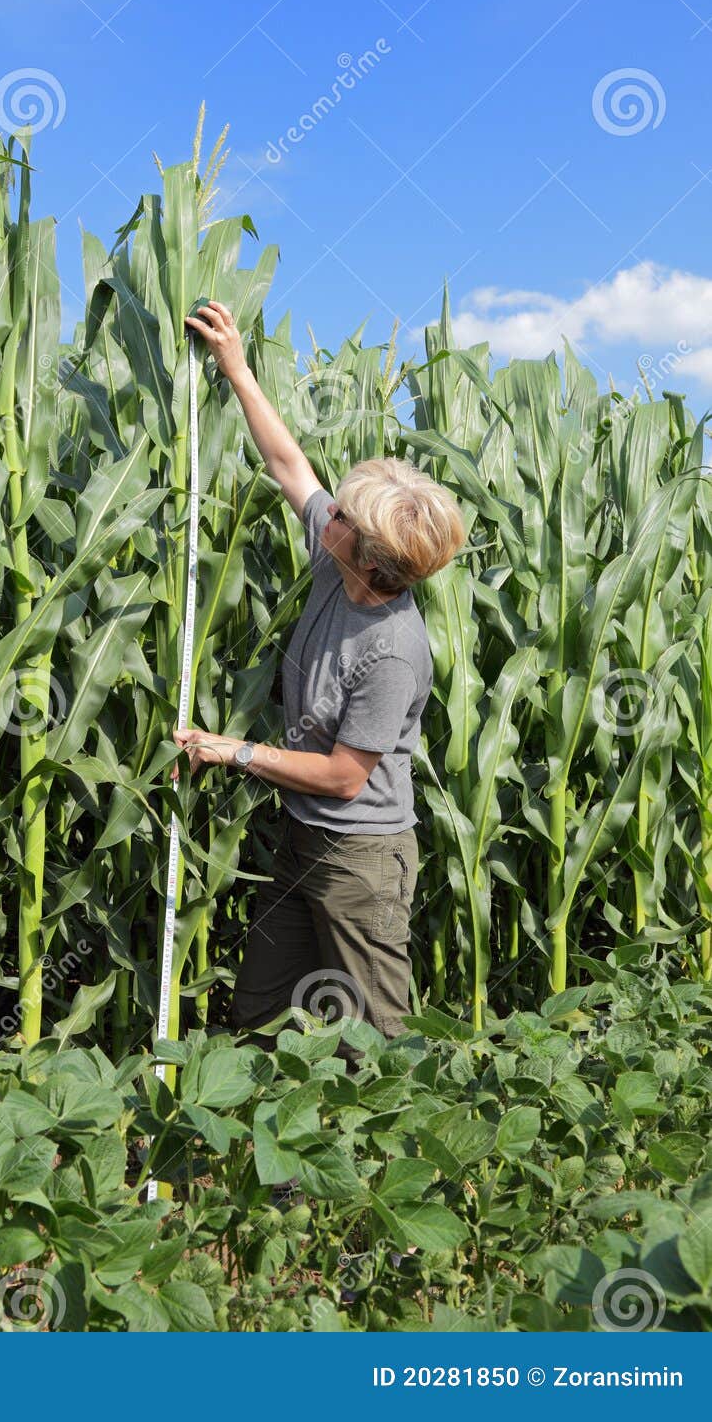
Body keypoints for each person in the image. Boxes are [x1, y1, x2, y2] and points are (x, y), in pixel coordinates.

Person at [172, 299, 466, 1066]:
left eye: (340, 516)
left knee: (375, 1038)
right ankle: (269, 1171)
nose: (324, 510)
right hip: (302, 838)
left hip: (359, 855)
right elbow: (287, 464)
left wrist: (231, 752)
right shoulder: (340, 565)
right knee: (263, 1008)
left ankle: (389, 1172)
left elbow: (341, 777)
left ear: (373, 561)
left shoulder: (393, 651)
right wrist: (236, 367)